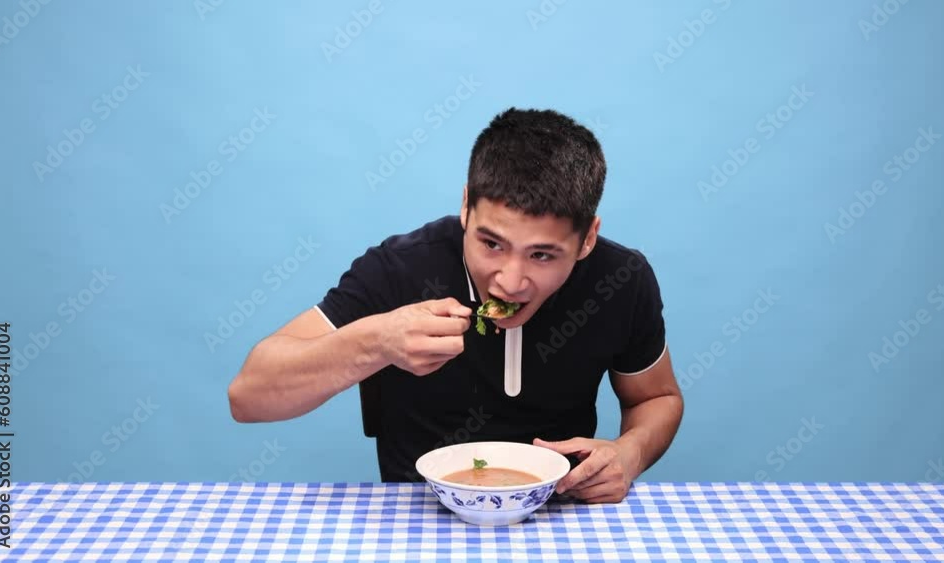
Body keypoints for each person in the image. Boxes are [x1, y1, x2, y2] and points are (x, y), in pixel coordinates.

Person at [228, 108, 683, 504]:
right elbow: (249, 396)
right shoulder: (400, 268)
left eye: (542, 255)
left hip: (560, 518)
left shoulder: (621, 279)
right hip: (417, 522)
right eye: (491, 243)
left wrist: (630, 452)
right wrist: (377, 341)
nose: (510, 280)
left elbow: (658, 398)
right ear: (466, 206)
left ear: (587, 239)